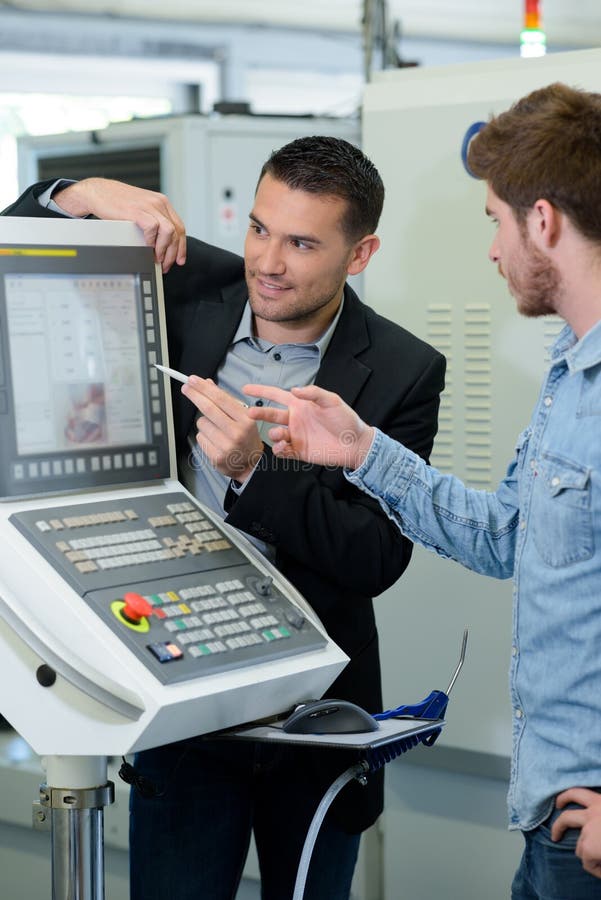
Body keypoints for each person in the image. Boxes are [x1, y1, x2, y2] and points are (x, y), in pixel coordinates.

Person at [3, 136, 445, 900]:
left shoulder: (404, 370)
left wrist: (252, 471)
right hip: (182, 694)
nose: (268, 262)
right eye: (258, 227)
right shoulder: (181, 282)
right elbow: (20, 241)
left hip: (316, 715)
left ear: (359, 252)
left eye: (302, 242)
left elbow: (376, 555)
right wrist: (84, 192)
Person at [242, 83, 601, 899]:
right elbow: (504, 535)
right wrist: (363, 451)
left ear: (541, 221)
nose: (491, 251)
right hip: (550, 808)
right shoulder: (569, 368)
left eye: (494, 223)